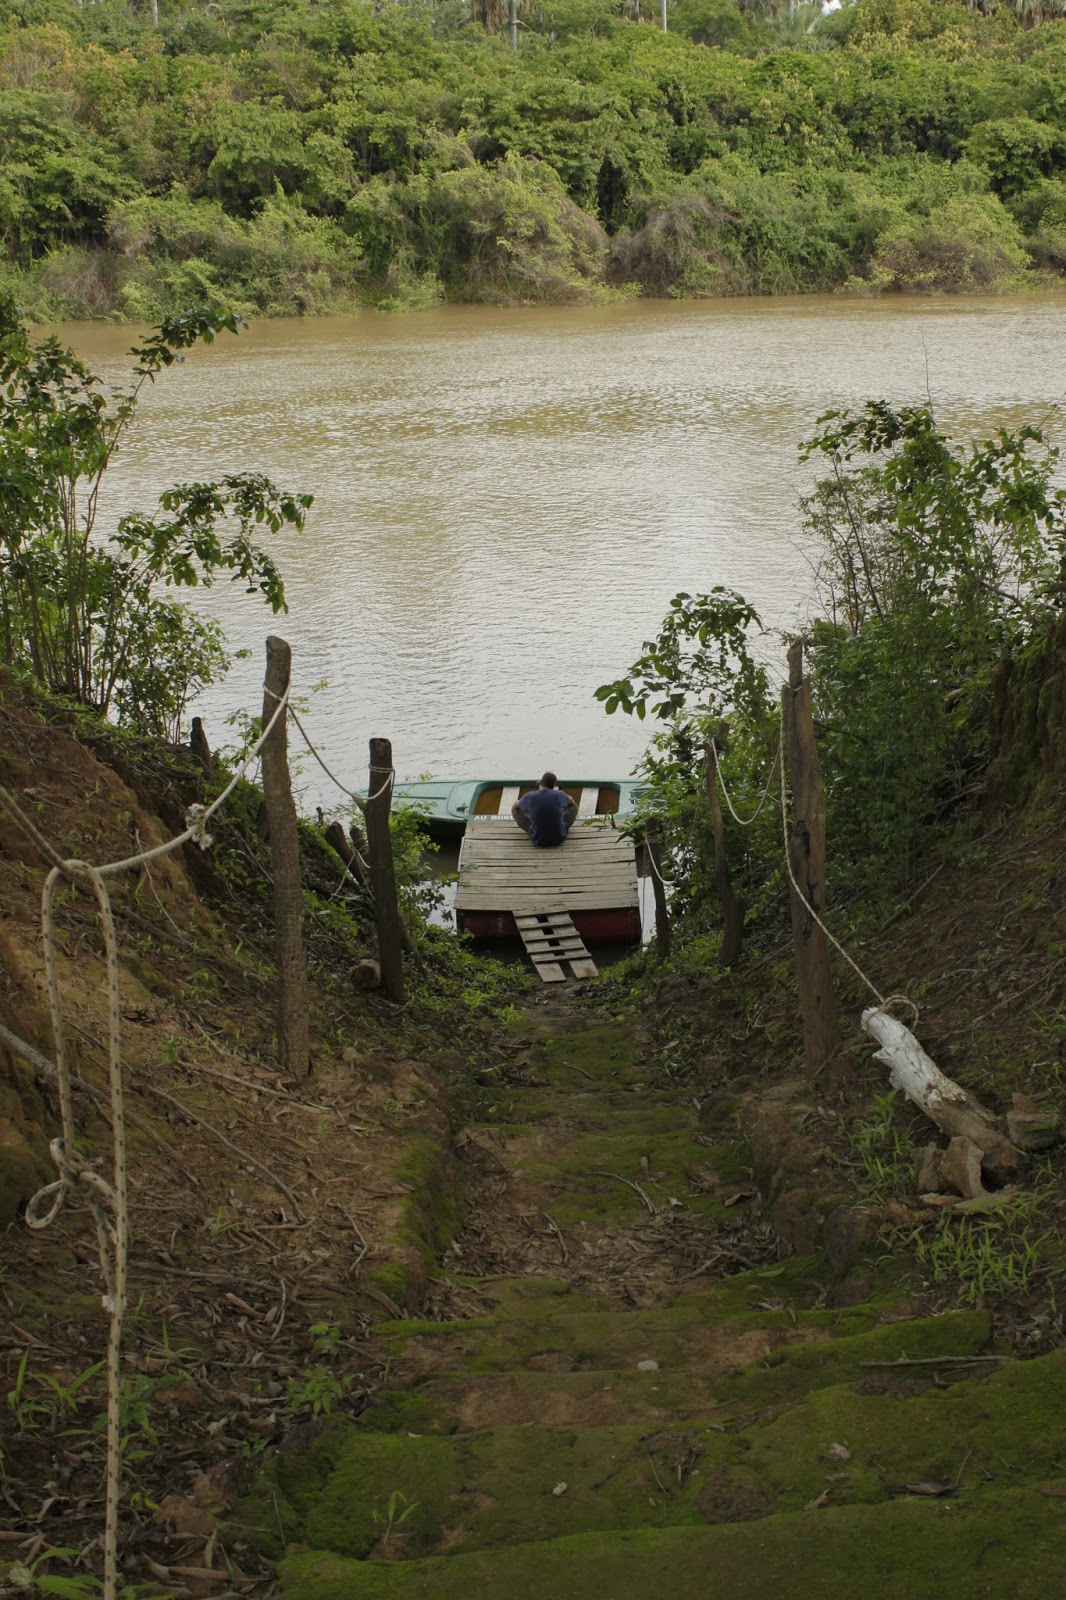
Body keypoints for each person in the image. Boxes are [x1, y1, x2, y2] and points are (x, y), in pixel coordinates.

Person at [512, 772, 577, 848]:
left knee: (516, 810)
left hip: (537, 840)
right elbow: (572, 802)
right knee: (573, 806)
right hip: (559, 838)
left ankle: (535, 829)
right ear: (553, 786)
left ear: (540, 784)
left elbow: (515, 807)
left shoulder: (529, 796)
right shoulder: (560, 794)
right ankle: (559, 827)